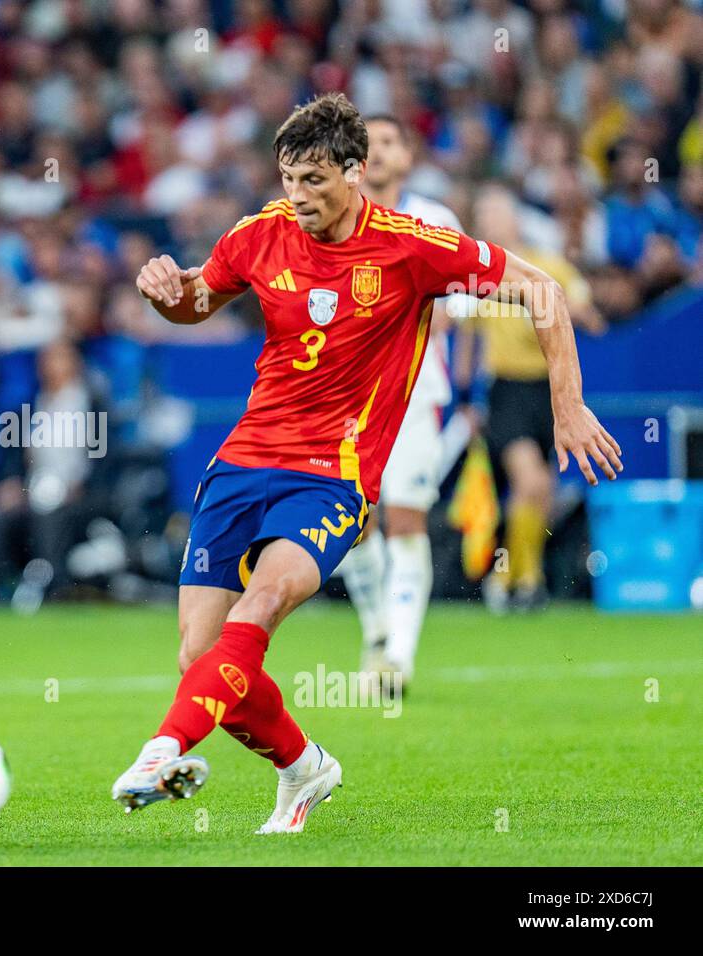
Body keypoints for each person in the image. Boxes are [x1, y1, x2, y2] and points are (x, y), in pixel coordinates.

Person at [112, 93, 621, 833]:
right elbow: (197, 302)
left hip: (332, 476)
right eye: (289, 178)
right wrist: (167, 295)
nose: (298, 195)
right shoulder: (261, 233)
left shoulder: (411, 248)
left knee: (263, 605)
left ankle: (160, 750)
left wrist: (566, 405)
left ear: (356, 172)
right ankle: (304, 770)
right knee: (201, 653)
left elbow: (541, 291)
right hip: (243, 461)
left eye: (314, 180)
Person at [335, 114, 476, 690]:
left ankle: (399, 655)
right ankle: (376, 631)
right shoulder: (333, 220)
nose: (380, 151)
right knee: (350, 524)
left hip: (416, 394)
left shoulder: (434, 220)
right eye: (370, 143)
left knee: (406, 518)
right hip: (346, 399)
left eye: (390, 141)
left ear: (407, 156)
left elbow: (452, 308)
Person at [453, 183, 605, 612]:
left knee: (541, 491)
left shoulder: (546, 266)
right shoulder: (475, 272)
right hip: (506, 391)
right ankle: (523, 578)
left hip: (551, 390)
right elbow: (466, 338)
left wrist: (566, 310)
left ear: (516, 218)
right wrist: (464, 396)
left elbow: (589, 316)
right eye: (483, 213)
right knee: (530, 480)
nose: (489, 220)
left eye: (496, 211)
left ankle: (513, 578)